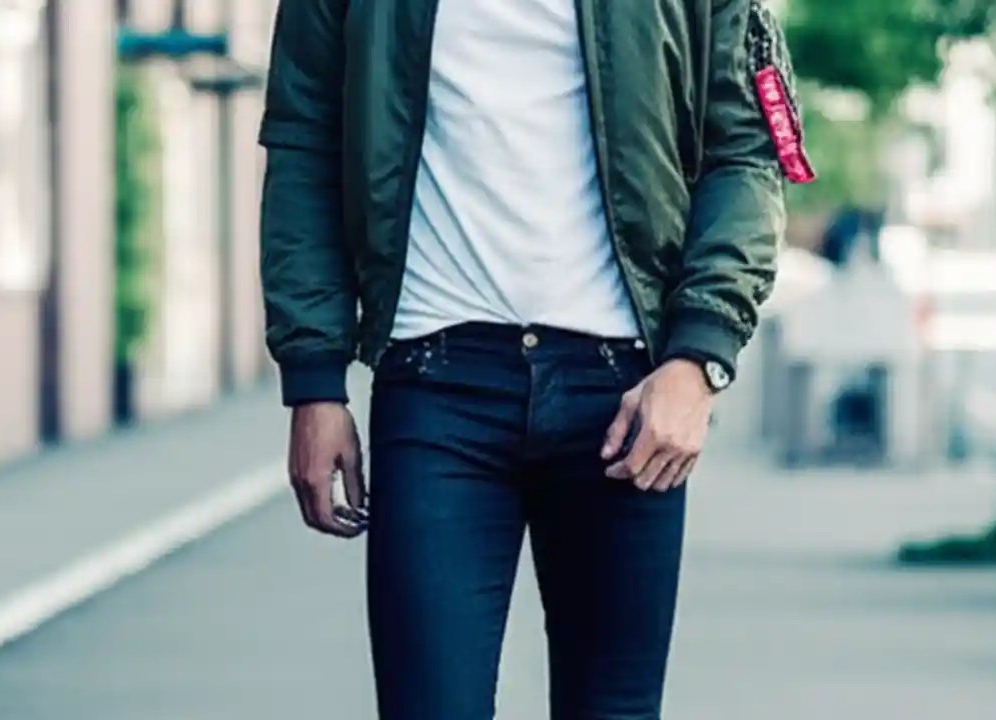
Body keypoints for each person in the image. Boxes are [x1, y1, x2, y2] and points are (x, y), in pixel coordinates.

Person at [259, 0, 808, 717]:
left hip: (627, 396)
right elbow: (304, 140)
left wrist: (699, 358)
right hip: (436, 384)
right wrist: (313, 378)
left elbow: (747, 151)